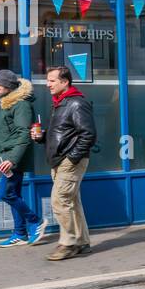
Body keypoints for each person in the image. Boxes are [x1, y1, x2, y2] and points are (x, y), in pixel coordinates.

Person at [31, 65, 96, 261]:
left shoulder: (76, 103)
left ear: (64, 82)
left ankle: (68, 243)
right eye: (48, 80)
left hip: (69, 160)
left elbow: (89, 134)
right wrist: (42, 136)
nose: (47, 84)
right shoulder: (59, 103)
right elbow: (62, 133)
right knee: (72, 202)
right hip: (59, 160)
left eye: (52, 80)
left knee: (59, 201)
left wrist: (72, 158)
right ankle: (82, 242)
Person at [0, 69, 44, 247]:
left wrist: (12, 159)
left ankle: (35, 221)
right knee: (14, 194)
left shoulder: (20, 105)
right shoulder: (9, 103)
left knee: (6, 194)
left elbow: (23, 134)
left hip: (12, 158)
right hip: (7, 156)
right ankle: (20, 233)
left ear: (8, 86)